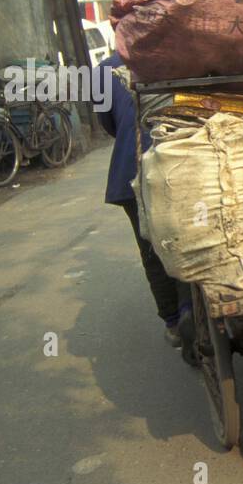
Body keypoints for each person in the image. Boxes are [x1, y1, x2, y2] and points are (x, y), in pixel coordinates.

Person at [94, 51, 194, 360]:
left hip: (132, 167)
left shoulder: (103, 72)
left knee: (152, 249)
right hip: (184, 164)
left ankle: (175, 322)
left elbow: (108, 124)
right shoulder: (182, 56)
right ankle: (191, 305)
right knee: (190, 239)